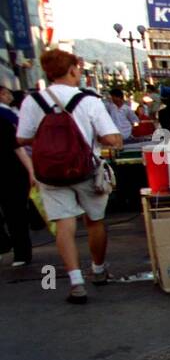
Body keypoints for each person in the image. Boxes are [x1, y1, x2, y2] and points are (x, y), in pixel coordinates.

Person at [15, 50, 123, 302]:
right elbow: (112, 139)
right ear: (73, 69)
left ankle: (76, 282)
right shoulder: (89, 101)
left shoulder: (33, 101)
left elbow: (21, 137)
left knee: (64, 224)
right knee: (94, 221)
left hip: (49, 173)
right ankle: (98, 270)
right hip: (86, 170)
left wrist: (48, 140)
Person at [0, 100, 32, 267]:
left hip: (12, 175)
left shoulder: (3, 123)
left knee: (16, 215)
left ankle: (22, 253)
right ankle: (4, 244)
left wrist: (31, 172)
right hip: (12, 175)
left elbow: (18, 149)